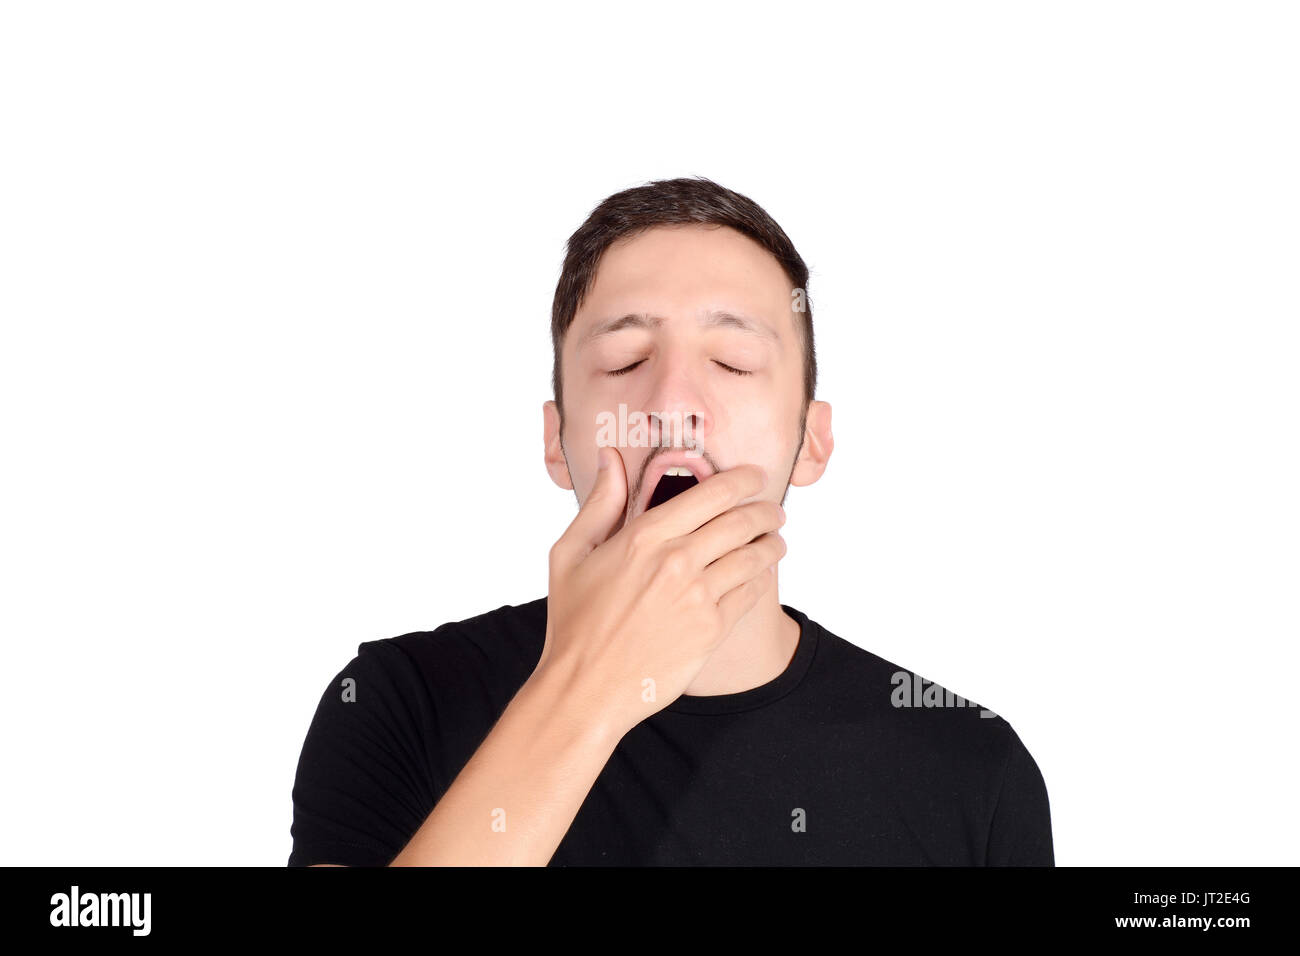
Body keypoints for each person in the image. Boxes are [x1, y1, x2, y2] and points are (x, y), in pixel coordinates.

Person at [287, 177, 1054, 866]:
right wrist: (592, 684)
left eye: (733, 362)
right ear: (557, 442)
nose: (671, 404)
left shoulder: (971, 769)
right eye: (624, 362)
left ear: (812, 441)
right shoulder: (398, 704)